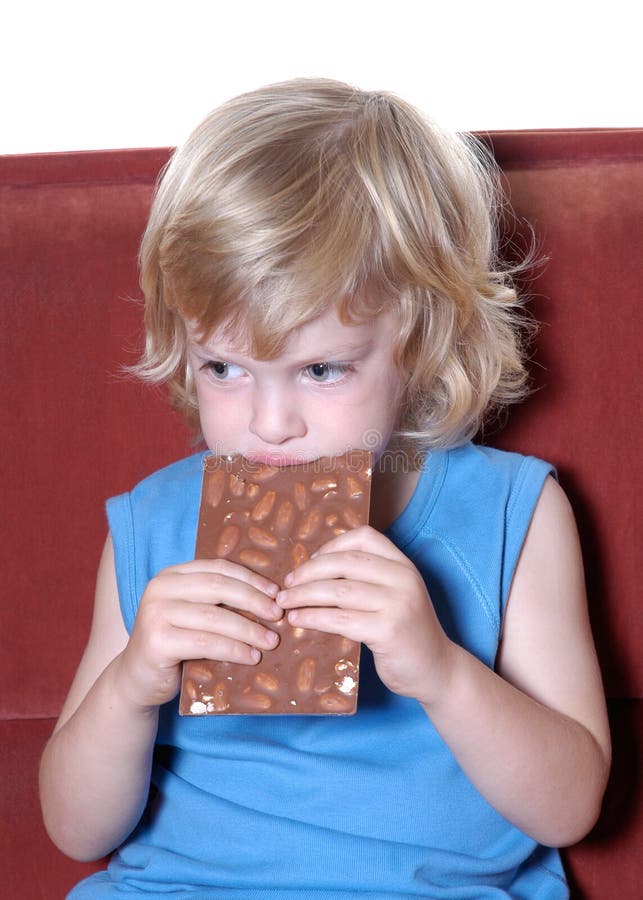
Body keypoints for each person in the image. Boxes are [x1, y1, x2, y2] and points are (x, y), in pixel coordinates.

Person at [39, 78, 611, 898]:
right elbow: (73, 829)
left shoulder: (512, 514)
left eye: (319, 368)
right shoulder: (154, 524)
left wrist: (438, 671)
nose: (269, 424)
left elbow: (567, 809)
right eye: (224, 369)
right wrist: (131, 684)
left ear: (419, 340)